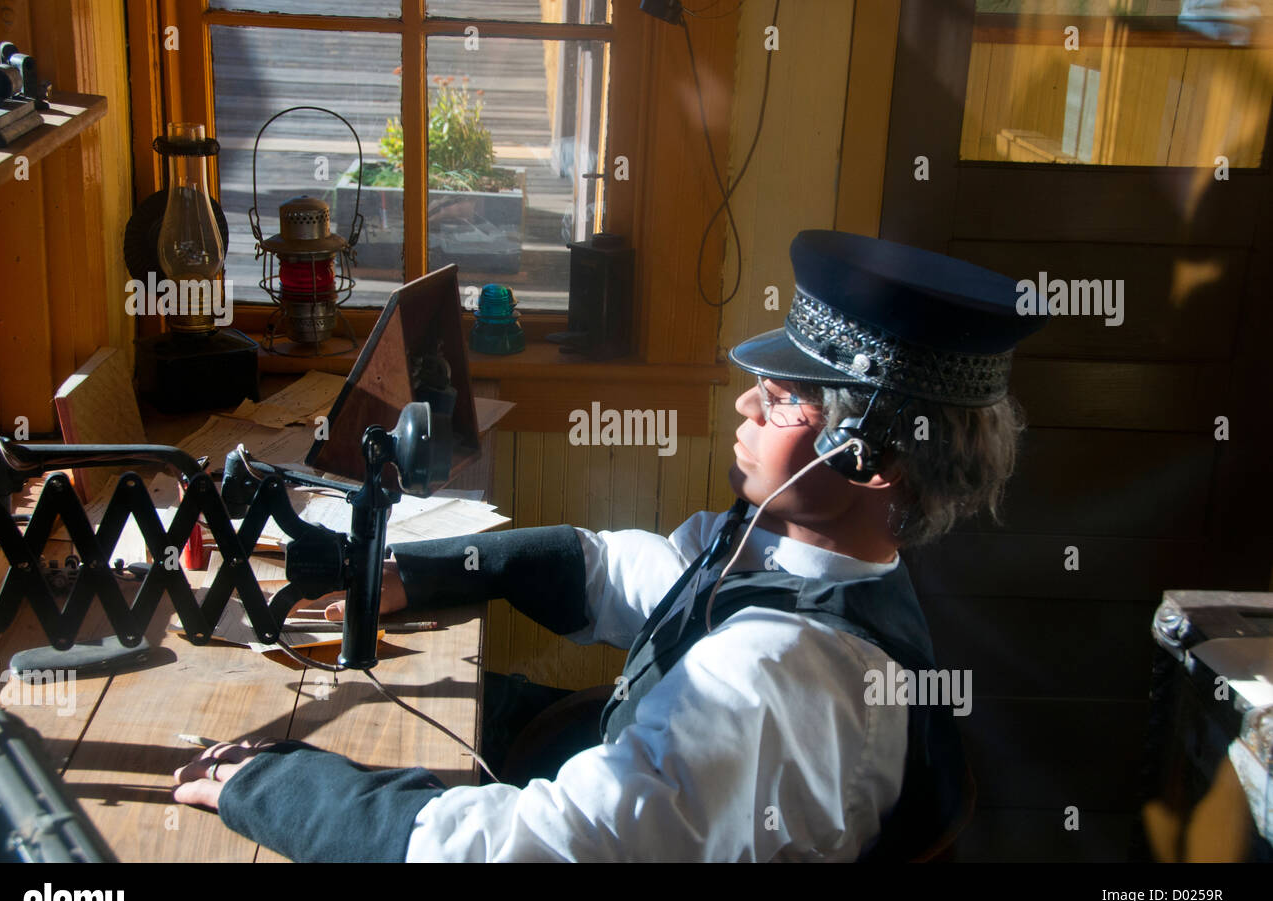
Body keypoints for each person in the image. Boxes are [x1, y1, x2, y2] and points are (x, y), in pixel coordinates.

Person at [172, 230, 1047, 862]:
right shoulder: (786, 554)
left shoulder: (778, 680)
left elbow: (547, 848)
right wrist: (426, 571)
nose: (744, 407)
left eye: (783, 400)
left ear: (873, 458)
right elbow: (627, 571)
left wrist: (281, 790)